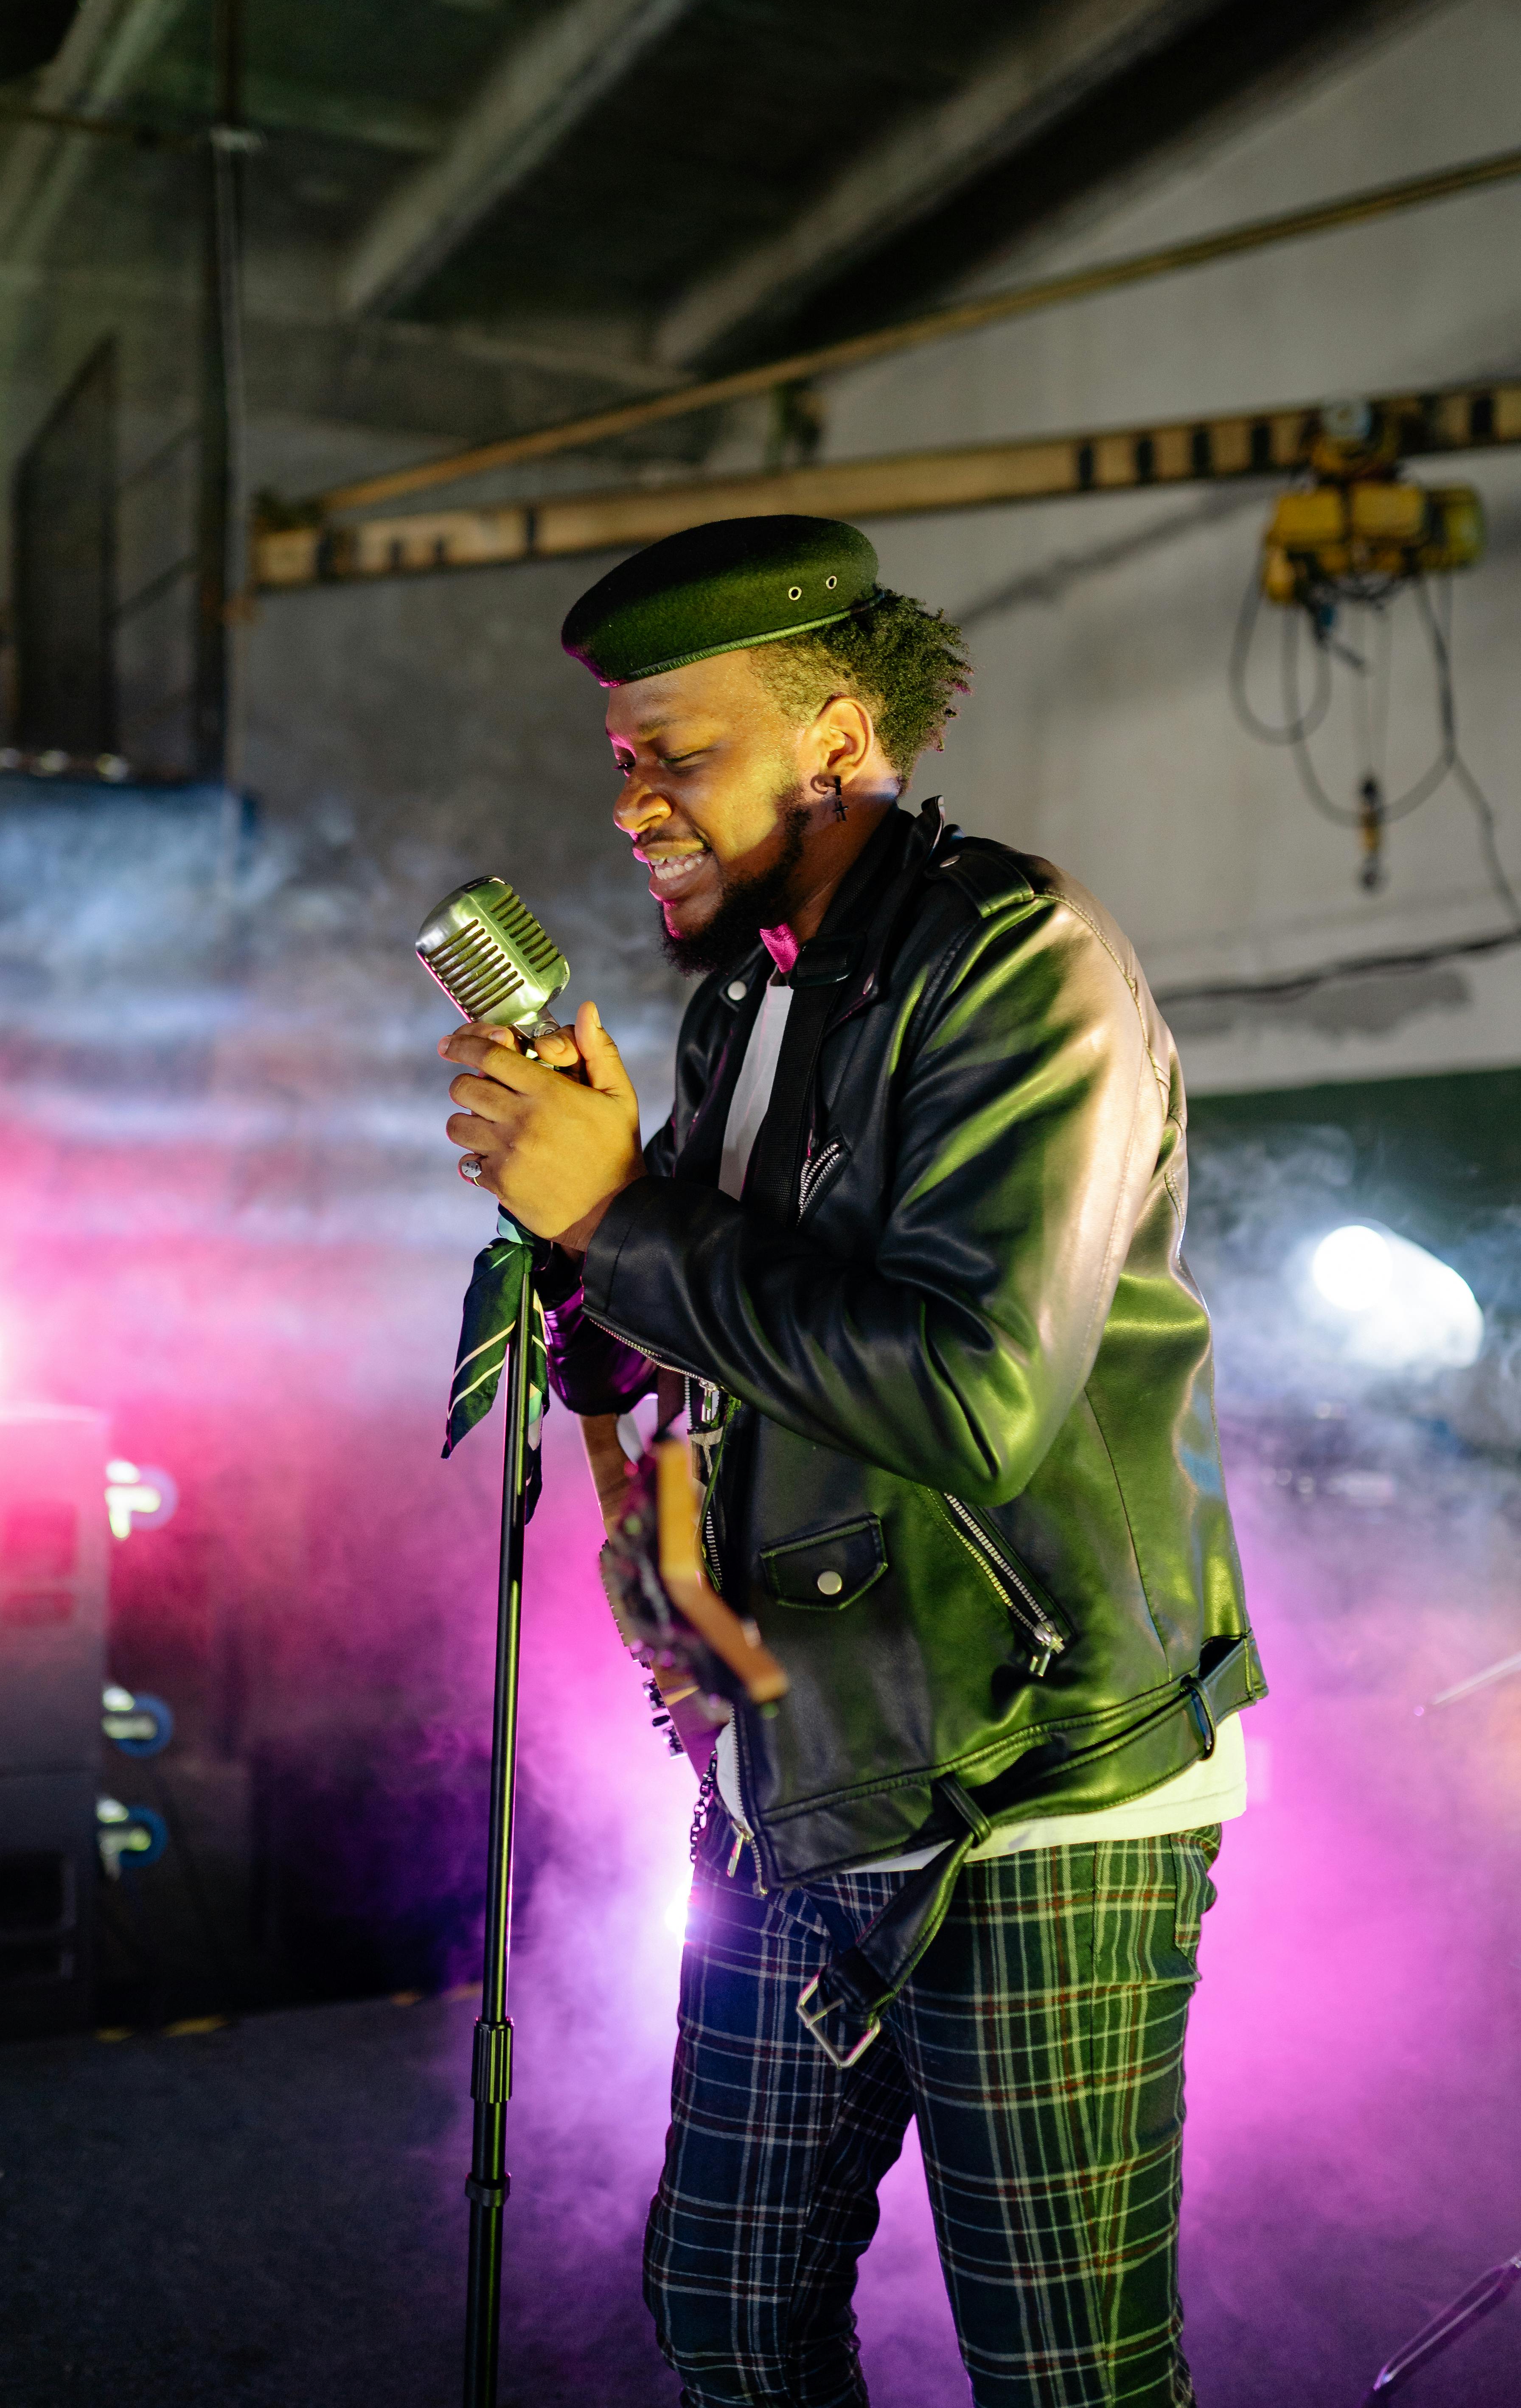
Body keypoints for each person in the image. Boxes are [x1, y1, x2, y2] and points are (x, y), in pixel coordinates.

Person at [436, 514, 1263, 2408]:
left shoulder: (1017, 958)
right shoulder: (749, 991)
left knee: (1064, 2377)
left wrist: (630, 1213)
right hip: (792, 1768)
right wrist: (590, 1282)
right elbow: (715, 1347)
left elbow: (969, 1390)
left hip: (1034, 1783)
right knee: (724, 2318)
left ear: (832, 737)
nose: (634, 802)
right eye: (620, 759)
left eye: (678, 753)